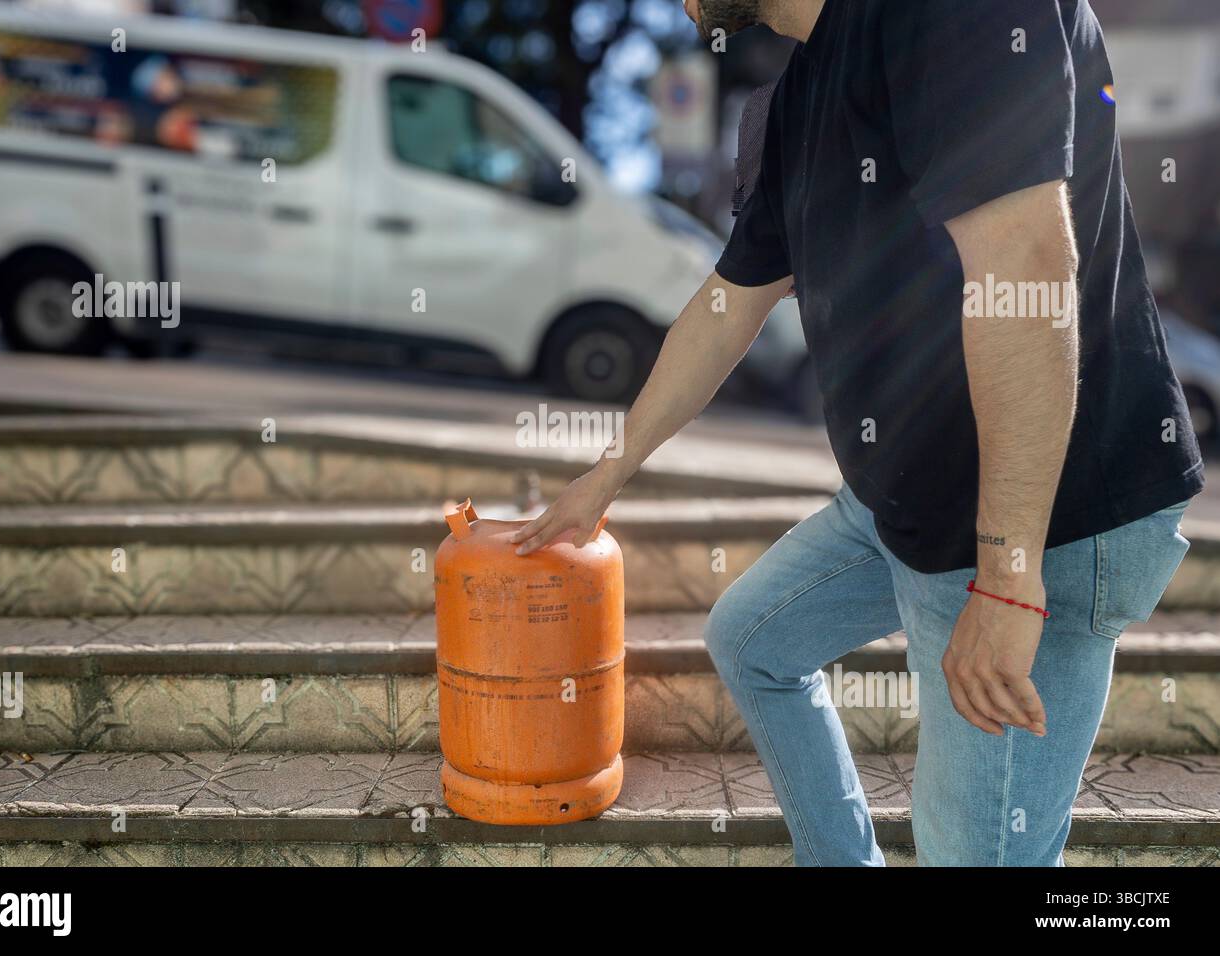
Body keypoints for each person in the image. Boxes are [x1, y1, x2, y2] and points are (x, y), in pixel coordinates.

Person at [512, 0, 1205, 866]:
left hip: (1044, 517)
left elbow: (1026, 267)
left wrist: (1009, 578)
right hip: (901, 505)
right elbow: (727, 308)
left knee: (976, 856)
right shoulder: (797, 97)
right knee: (754, 642)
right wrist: (606, 475)